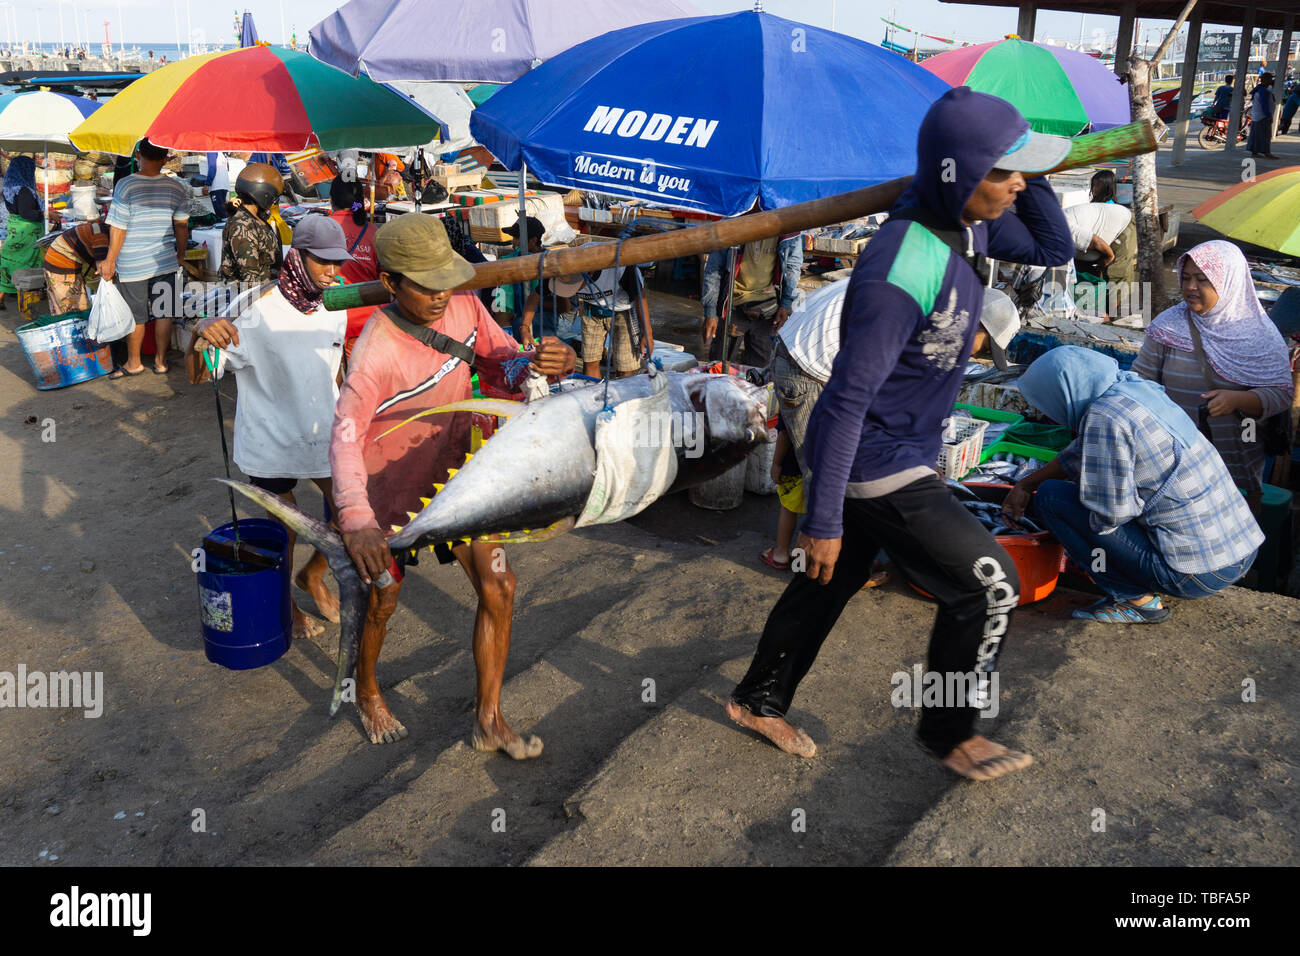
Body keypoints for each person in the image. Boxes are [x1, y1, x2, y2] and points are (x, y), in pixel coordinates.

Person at [724, 86, 1075, 781]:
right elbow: (849, 394)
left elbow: (1052, 245)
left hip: (901, 449)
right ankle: (951, 732)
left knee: (827, 584)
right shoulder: (902, 262)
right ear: (961, 175)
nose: (1018, 185)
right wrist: (821, 516)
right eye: (1005, 173)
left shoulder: (973, 225)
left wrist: (1032, 170)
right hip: (869, 458)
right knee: (989, 586)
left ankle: (758, 699)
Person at [330, 213, 577, 750]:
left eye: (446, 277)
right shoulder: (375, 350)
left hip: (454, 478)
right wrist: (356, 521)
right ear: (391, 283)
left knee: (500, 585)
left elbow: (500, 366)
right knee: (383, 598)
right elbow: (344, 437)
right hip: (388, 496)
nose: (441, 295)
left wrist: (541, 362)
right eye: (425, 283)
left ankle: (489, 719)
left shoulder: (464, 303)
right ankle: (367, 688)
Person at [1004, 347, 1263, 624]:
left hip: (1196, 576)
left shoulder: (1105, 417)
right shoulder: (1136, 390)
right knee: (1055, 492)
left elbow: (1111, 516)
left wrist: (1079, 544)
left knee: (1051, 499)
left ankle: (1134, 599)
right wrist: (1027, 482)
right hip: (1242, 551)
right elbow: (1080, 452)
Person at [188, 217, 354, 640]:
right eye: (324, 262)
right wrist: (199, 333)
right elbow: (199, 375)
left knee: (350, 515)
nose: (333, 272)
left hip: (321, 433)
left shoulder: (338, 303)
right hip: (270, 438)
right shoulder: (252, 306)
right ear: (296, 257)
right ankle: (285, 602)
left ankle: (313, 576)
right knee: (284, 530)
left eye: (338, 263)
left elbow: (332, 370)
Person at [1133, 240, 1293, 498]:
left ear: (1228, 281)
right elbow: (1140, 381)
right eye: (1185, 278)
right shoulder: (1169, 326)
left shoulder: (1258, 334)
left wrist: (1239, 400)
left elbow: (1281, 394)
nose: (1190, 287)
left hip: (1236, 453)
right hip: (1173, 454)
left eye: (1202, 279)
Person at [98, 138, 190, 377]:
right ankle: (160, 362)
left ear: (138, 154)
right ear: (166, 159)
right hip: (165, 260)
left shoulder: (126, 185)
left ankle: (134, 362)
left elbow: (118, 227)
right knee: (164, 312)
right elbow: (182, 226)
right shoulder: (177, 187)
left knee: (136, 315)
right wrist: (180, 254)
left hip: (132, 262)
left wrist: (110, 260)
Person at [700, 226, 803, 368]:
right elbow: (713, 269)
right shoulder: (734, 223)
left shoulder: (790, 232)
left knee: (760, 371)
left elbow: (793, 268)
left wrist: (785, 304)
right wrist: (710, 312)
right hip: (733, 308)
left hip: (767, 311)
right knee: (719, 366)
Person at [326, 174, 380, 357]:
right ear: (360, 200)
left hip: (327, 322)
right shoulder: (375, 234)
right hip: (366, 325)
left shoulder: (320, 229)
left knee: (330, 383)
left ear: (331, 199)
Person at [576, 258, 652, 378]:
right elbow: (537, 295)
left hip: (623, 310)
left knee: (625, 366)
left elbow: (640, 297)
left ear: (589, 274)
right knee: (590, 361)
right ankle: (592, 394)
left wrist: (647, 333)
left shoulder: (621, 268)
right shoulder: (562, 275)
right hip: (591, 310)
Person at [1064, 170, 1134, 284]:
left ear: (1107, 187)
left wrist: (1109, 257)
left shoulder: (1111, 208)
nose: (1094, 189)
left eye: (1097, 186)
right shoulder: (1092, 206)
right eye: (1093, 185)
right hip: (1092, 248)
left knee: (1113, 273)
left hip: (1106, 245)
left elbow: (1096, 241)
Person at [219, 163, 284, 284]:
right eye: (274, 199)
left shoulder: (257, 218)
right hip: (247, 296)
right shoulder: (242, 225)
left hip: (266, 288)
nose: (273, 203)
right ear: (264, 194)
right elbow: (250, 278)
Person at [0, 157, 45, 312]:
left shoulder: (9, 187)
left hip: (15, 229)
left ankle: (4, 296)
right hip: (26, 233)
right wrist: (44, 214)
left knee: (10, 263)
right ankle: (27, 298)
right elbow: (26, 213)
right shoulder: (24, 190)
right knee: (25, 265)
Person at [41, 221, 110, 314]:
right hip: (60, 267)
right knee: (73, 309)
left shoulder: (99, 228)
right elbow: (102, 268)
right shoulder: (101, 236)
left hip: (58, 263)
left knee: (63, 308)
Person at [1247, 72, 1278, 159]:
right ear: (1267, 80)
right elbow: (1265, 105)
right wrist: (1269, 116)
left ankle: (1254, 152)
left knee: (1256, 135)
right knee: (1266, 135)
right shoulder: (1264, 91)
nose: (1271, 80)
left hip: (1256, 116)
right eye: (1270, 79)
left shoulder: (1258, 89)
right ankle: (1267, 152)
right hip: (1263, 116)